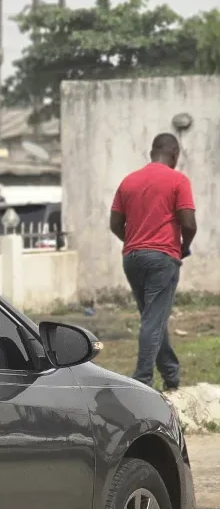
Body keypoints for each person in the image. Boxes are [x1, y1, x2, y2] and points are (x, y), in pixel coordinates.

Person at [109, 133, 197, 391]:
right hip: (162, 257)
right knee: (153, 320)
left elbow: (115, 224)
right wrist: (183, 248)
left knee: (153, 319)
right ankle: (142, 381)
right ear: (175, 154)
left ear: (151, 152)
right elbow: (189, 222)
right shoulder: (178, 180)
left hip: (132, 258)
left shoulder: (128, 181)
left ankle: (171, 377)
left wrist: (135, 240)